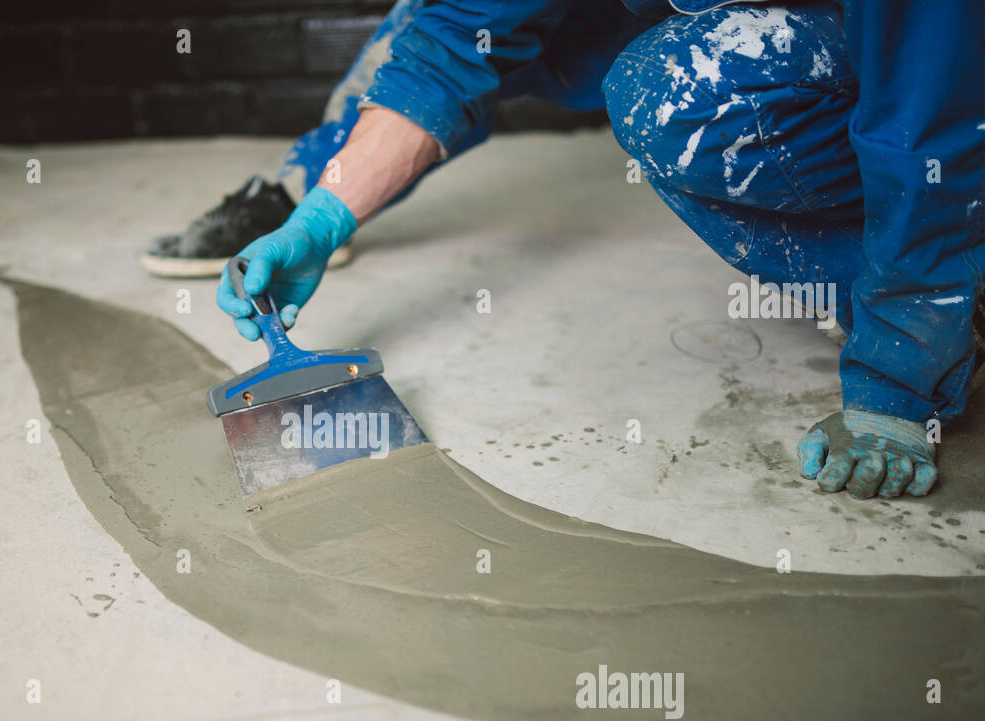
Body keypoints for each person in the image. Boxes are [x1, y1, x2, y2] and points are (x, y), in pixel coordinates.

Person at [173, 1, 985, 500]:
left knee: (674, 91)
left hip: (935, 70)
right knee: (440, 15)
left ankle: (944, 309)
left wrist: (895, 382)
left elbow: (929, 114)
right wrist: (322, 217)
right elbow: (456, 40)